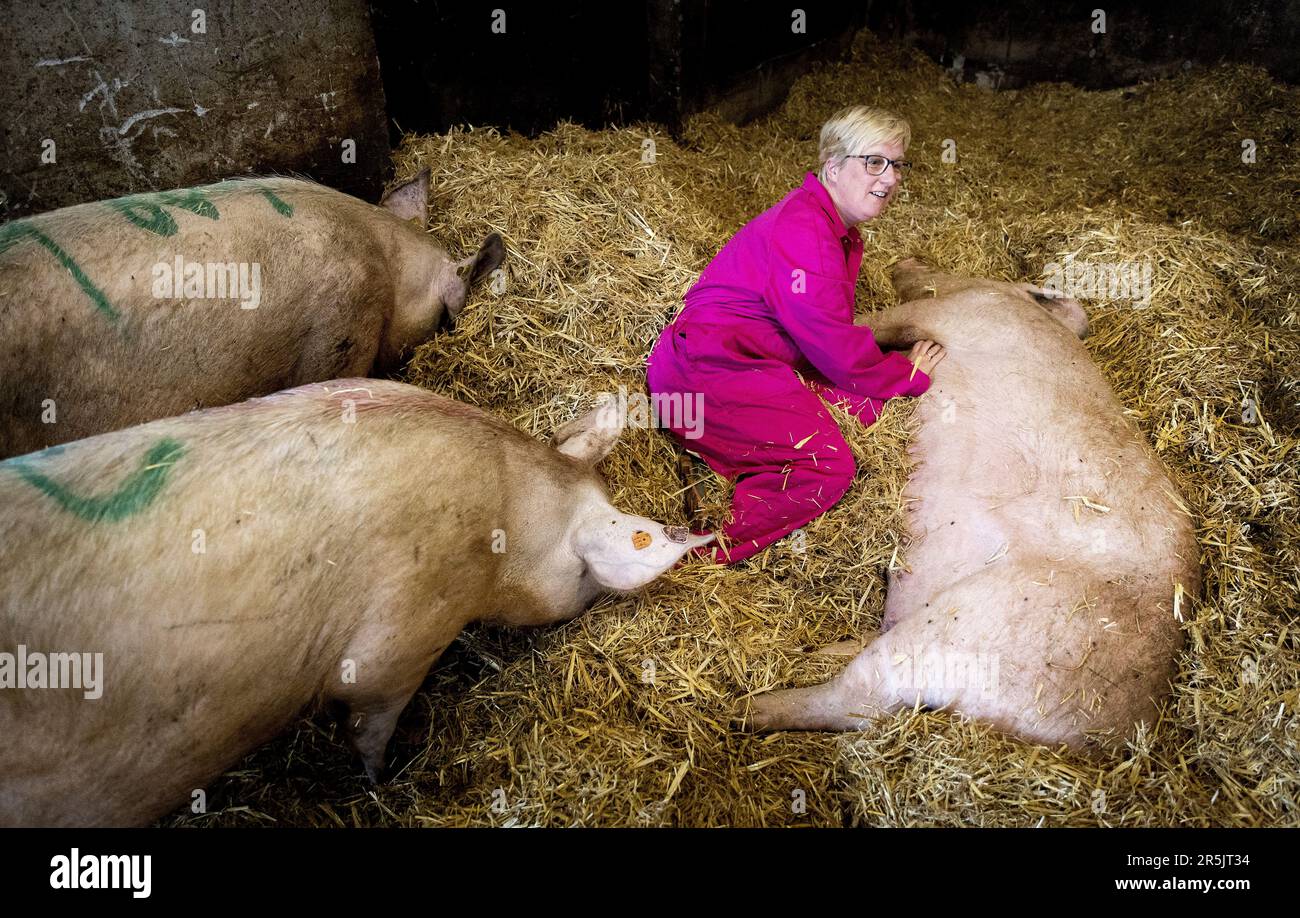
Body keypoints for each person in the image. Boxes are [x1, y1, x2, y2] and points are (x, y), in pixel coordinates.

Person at [647, 104, 946, 564]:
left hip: (746, 361)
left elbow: (820, 332)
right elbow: (831, 343)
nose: (889, 179)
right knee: (825, 464)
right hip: (709, 371)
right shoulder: (806, 228)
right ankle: (704, 552)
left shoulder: (834, 226)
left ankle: (725, 463)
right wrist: (903, 375)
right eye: (873, 162)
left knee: (862, 409)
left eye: (897, 165)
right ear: (832, 165)